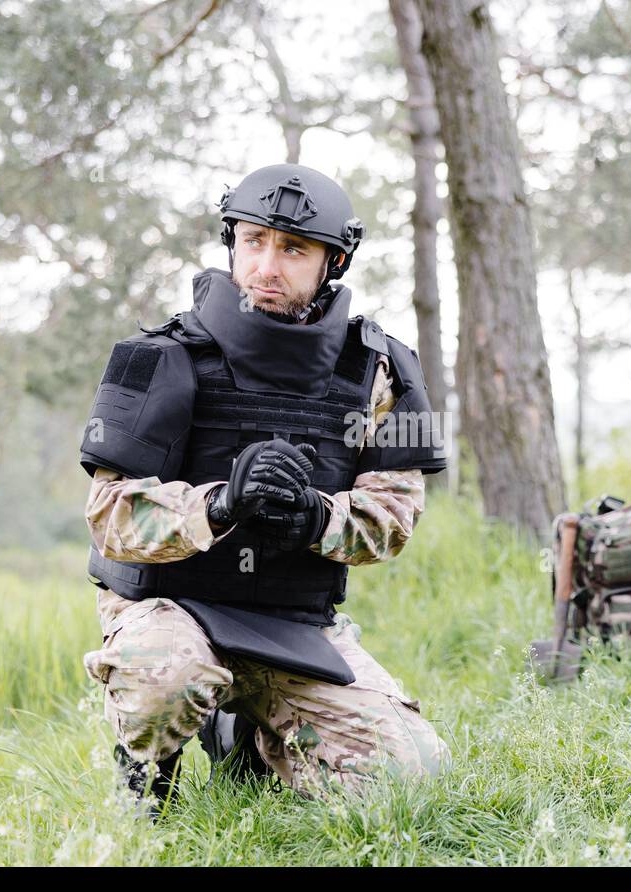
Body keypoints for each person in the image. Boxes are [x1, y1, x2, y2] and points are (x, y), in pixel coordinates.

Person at [78, 163, 450, 815]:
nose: (267, 267)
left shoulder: (381, 371)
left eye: (293, 249)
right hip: (171, 610)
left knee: (410, 779)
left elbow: (392, 521)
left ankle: (249, 739)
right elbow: (110, 516)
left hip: (292, 624)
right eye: (254, 241)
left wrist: (313, 516)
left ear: (333, 261)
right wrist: (217, 505)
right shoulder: (159, 356)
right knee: (166, 680)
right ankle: (145, 774)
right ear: (231, 243)